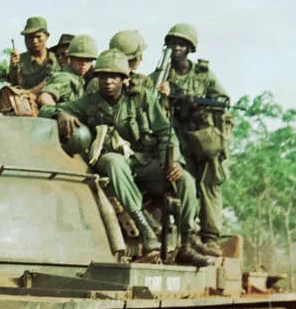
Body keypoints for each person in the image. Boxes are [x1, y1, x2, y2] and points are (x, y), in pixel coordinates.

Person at [54, 48, 215, 267]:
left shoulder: (142, 99)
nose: (107, 81)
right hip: (111, 163)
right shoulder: (90, 102)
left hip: (143, 163)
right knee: (113, 160)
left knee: (185, 180)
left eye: (113, 76)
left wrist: (173, 161)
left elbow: (164, 133)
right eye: (102, 76)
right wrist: (60, 114)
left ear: (124, 79)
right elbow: (51, 109)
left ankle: (185, 244)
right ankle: (146, 231)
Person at [158, 23, 230, 255]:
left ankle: (210, 238)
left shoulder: (203, 75)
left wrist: (194, 103)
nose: (176, 48)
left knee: (209, 185)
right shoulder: (162, 76)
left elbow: (222, 101)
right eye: (172, 44)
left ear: (189, 49)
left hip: (204, 137)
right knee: (180, 183)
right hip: (177, 140)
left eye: (181, 44)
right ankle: (186, 236)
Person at [37, 34, 97, 106]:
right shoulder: (64, 77)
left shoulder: (83, 78)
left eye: (88, 60)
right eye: (57, 55)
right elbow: (44, 98)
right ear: (71, 57)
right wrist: (60, 113)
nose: (83, 63)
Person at [9, 17, 60, 91]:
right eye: (30, 37)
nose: (35, 41)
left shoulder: (57, 58)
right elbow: (13, 85)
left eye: (38, 36)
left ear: (47, 36)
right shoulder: (20, 60)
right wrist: (13, 67)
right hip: (26, 100)